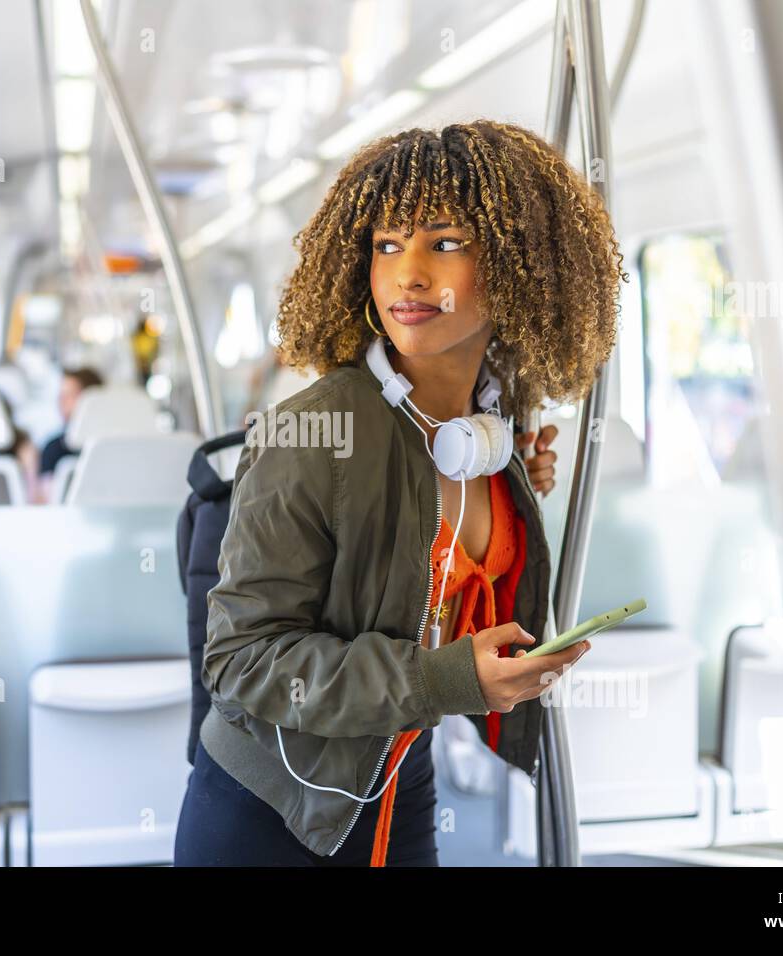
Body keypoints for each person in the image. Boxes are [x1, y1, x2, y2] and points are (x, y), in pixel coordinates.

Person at [173, 120, 626, 867]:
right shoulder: (309, 435)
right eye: (388, 245)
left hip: (395, 773)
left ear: (518, 265)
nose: (408, 275)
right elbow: (243, 661)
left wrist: (523, 478)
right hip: (278, 805)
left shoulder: (490, 427)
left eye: (445, 244)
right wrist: (447, 679)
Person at [38, 366, 103, 489]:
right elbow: (46, 498)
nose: (61, 402)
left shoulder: (109, 447)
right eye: (61, 396)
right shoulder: (54, 449)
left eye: (70, 395)